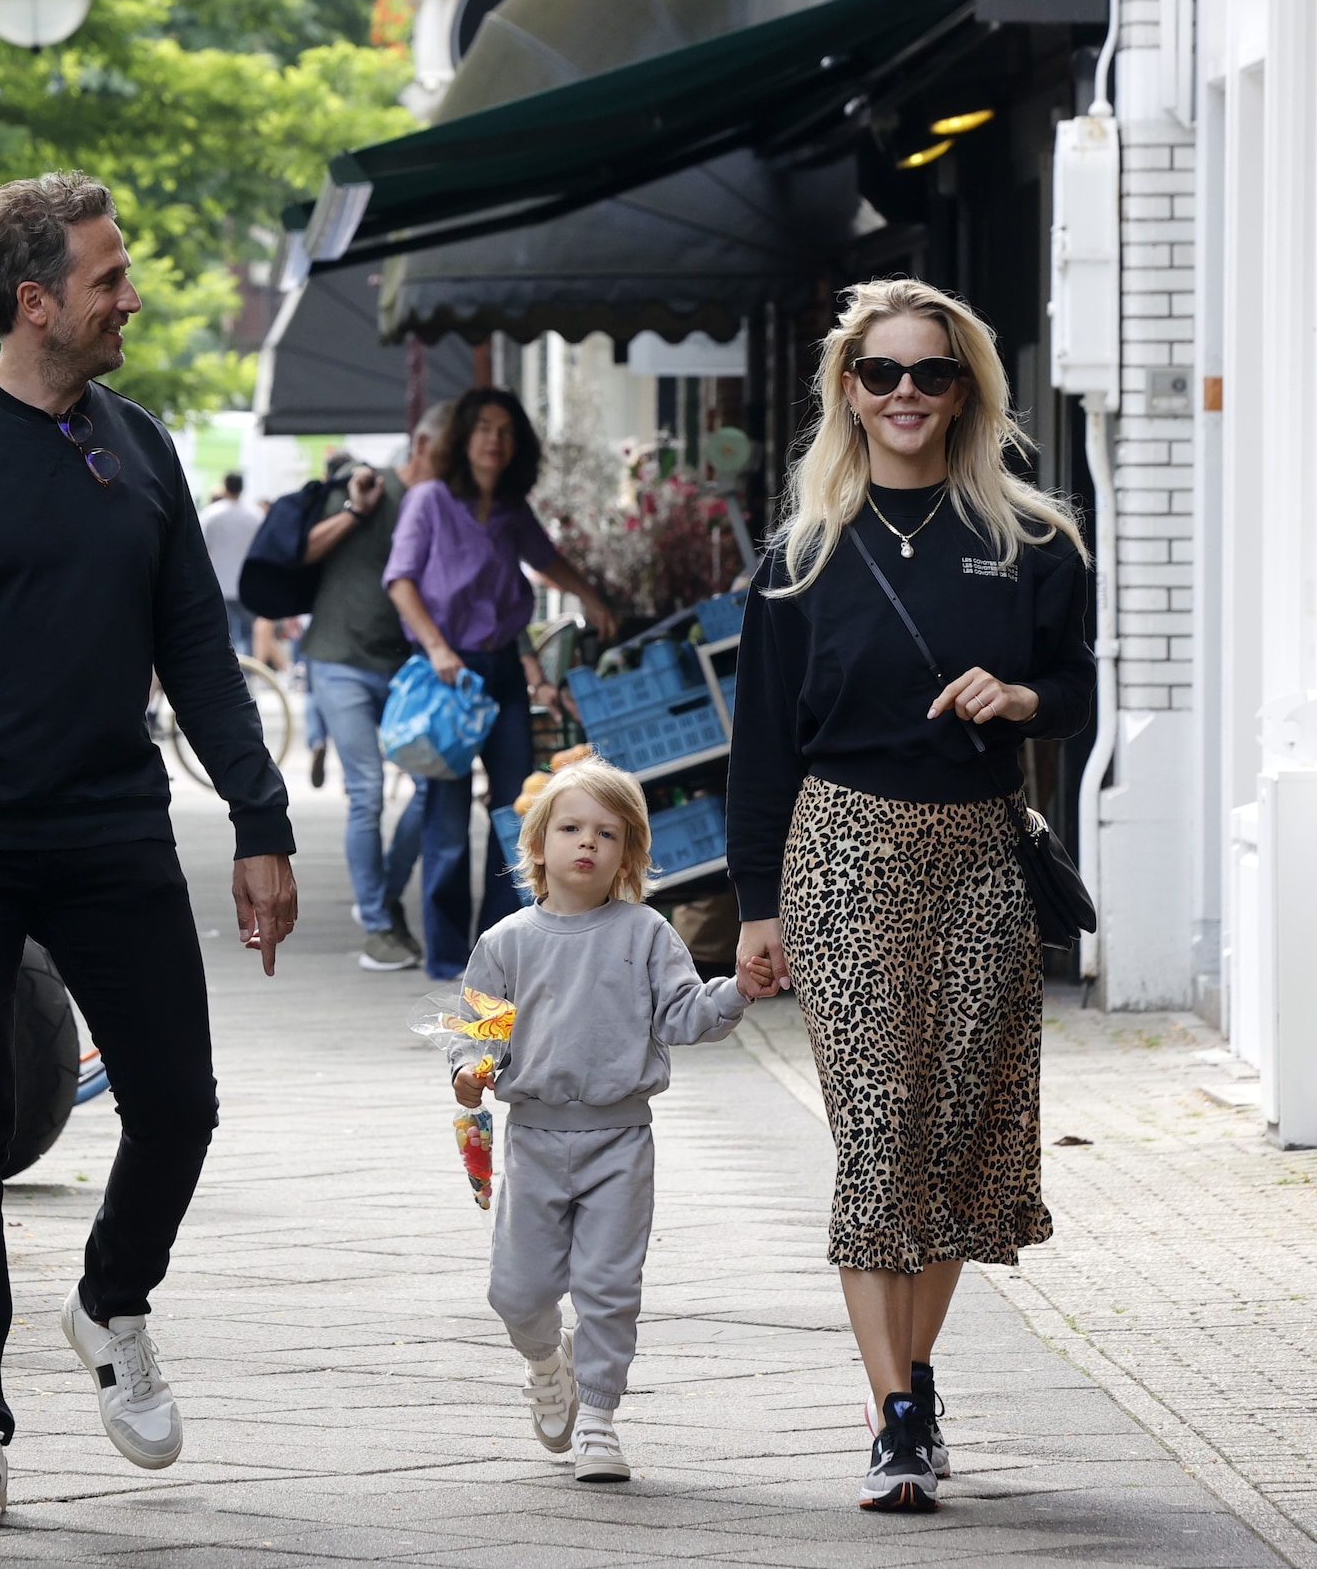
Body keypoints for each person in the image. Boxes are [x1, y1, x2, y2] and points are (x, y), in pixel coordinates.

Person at [0, 171, 299, 1533]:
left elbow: (197, 645)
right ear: (37, 301)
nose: (126, 295)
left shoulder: (135, 443)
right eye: (107, 277)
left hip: (108, 824)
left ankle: (110, 1300)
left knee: (180, 1103)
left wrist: (261, 821)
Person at [727, 278, 1093, 1514]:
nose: (901, 395)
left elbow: (1080, 688)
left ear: (964, 389)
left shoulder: (1029, 538)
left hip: (980, 851)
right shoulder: (800, 553)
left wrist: (1024, 698)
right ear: (844, 388)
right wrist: (755, 905)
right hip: (843, 849)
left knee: (949, 1146)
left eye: (927, 374)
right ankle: (894, 1414)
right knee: (876, 1140)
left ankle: (910, 1384)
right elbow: (760, 745)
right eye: (877, 373)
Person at [452, 760, 769, 1482]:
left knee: (609, 1284)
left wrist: (735, 991)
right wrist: (469, 1070)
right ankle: (544, 1360)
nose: (587, 844)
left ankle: (597, 1415)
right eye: (570, 828)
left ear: (630, 853)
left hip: (620, 1139)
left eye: (607, 832)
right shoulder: (507, 942)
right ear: (537, 845)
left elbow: (685, 1015)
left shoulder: (646, 933)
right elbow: (479, 1031)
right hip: (533, 1135)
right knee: (515, 1289)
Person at [382, 387, 617, 979]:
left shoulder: (512, 512)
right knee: (446, 816)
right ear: (464, 439)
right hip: (448, 675)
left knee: (518, 809)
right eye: (484, 428)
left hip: (504, 672)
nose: (495, 439)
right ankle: (445, 959)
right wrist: (436, 647)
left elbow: (547, 559)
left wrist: (591, 595)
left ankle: (501, 945)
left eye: (507, 431)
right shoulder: (429, 500)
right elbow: (400, 579)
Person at [299, 400, 449, 969]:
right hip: (338, 659)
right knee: (365, 793)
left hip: (401, 666)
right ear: (426, 447)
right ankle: (379, 924)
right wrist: (357, 512)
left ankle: (382, 891)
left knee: (431, 785)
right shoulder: (369, 484)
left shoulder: (446, 506)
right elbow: (303, 550)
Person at [200, 471, 260, 653]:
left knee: (225, 635)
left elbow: (201, 548)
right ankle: (249, 675)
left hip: (218, 583)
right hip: (247, 584)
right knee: (248, 633)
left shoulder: (210, 514)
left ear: (225, 487)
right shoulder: (255, 515)